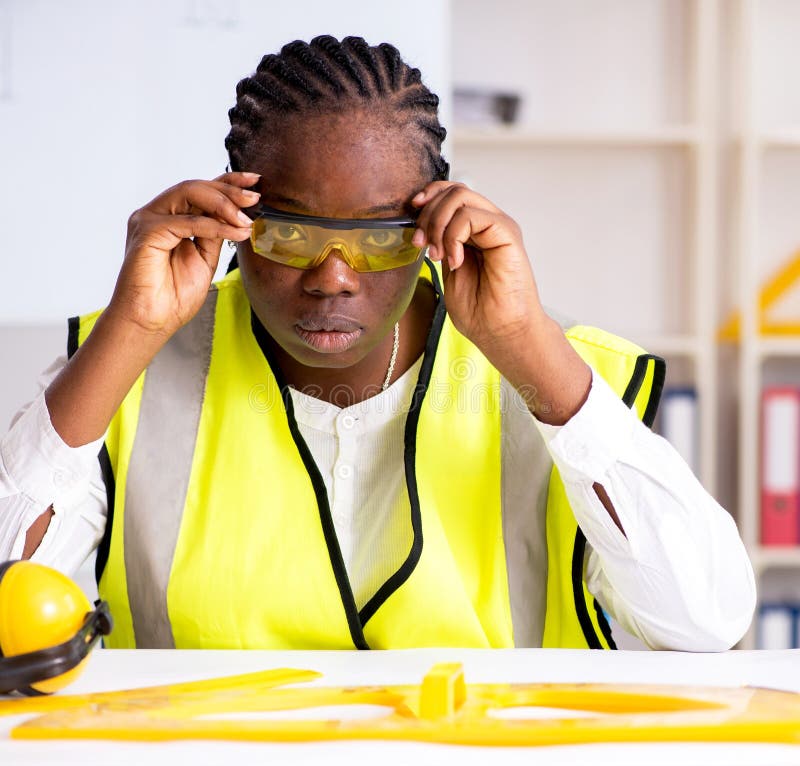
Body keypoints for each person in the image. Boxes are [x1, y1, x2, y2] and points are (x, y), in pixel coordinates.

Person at [0, 35, 754, 651]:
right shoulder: (128, 362)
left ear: (433, 226)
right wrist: (129, 330)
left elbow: (707, 622)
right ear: (233, 217)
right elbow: (10, 608)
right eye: (291, 231)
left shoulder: (550, 369)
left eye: (380, 236)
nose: (332, 278)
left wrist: (527, 345)